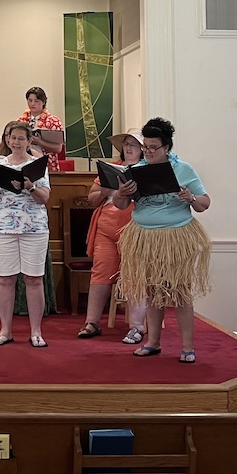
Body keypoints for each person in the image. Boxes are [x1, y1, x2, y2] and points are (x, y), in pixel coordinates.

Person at [116, 117, 212, 364]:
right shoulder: (135, 170)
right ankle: (153, 342)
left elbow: (204, 204)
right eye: (144, 147)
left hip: (175, 235)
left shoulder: (184, 169)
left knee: (179, 291)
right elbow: (121, 205)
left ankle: (187, 347)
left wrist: (189, 197)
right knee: (151, 291)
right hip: (144, 235)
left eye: (152, 148)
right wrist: (121, 193)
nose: (147, 152)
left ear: (166, 147)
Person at [0, 121, 53, 348]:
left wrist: (30, 186)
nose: (16, 142)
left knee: (33, 279)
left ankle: (36, 331)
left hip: (33, 226)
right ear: (7, 139)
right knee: (5, 279)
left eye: (21, 138)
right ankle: (5, 330)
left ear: (29, 141)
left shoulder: (37, 165)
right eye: (12, 138)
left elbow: (44, 198)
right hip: (3, 227)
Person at [77, 129, 149, 343]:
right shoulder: (111, 168)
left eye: (134, 144)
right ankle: (91, 323)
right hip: (106, 228)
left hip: (136, 229)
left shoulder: (147, 170)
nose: (128, 148)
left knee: (135, 276)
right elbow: (91, 198)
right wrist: (105, 191)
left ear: (142, 149)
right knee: (100, 273)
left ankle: (137, 327)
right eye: (126, 144)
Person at [18, 86, 64, 156]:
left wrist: (40, 142)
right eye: (30, 100)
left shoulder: (53, 121)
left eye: (36, 101)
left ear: (43, 102)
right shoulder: (21, 121)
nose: (32, 104)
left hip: (46, 161)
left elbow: (58, 148)